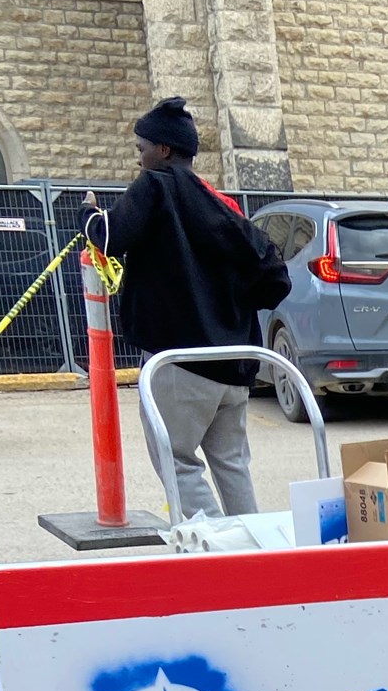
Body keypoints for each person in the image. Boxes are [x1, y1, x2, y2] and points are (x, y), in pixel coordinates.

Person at [84, 97, 289, 521]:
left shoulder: (156, 187)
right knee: (231, 463)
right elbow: (271, 274)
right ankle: (256, 558)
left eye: (142, 148)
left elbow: (109, 236)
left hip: (181, 363)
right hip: (234, 363)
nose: (138, 157)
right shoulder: (222, 205)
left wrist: (87, 213)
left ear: (163, 150)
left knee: (175, 459)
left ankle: (216, 558)